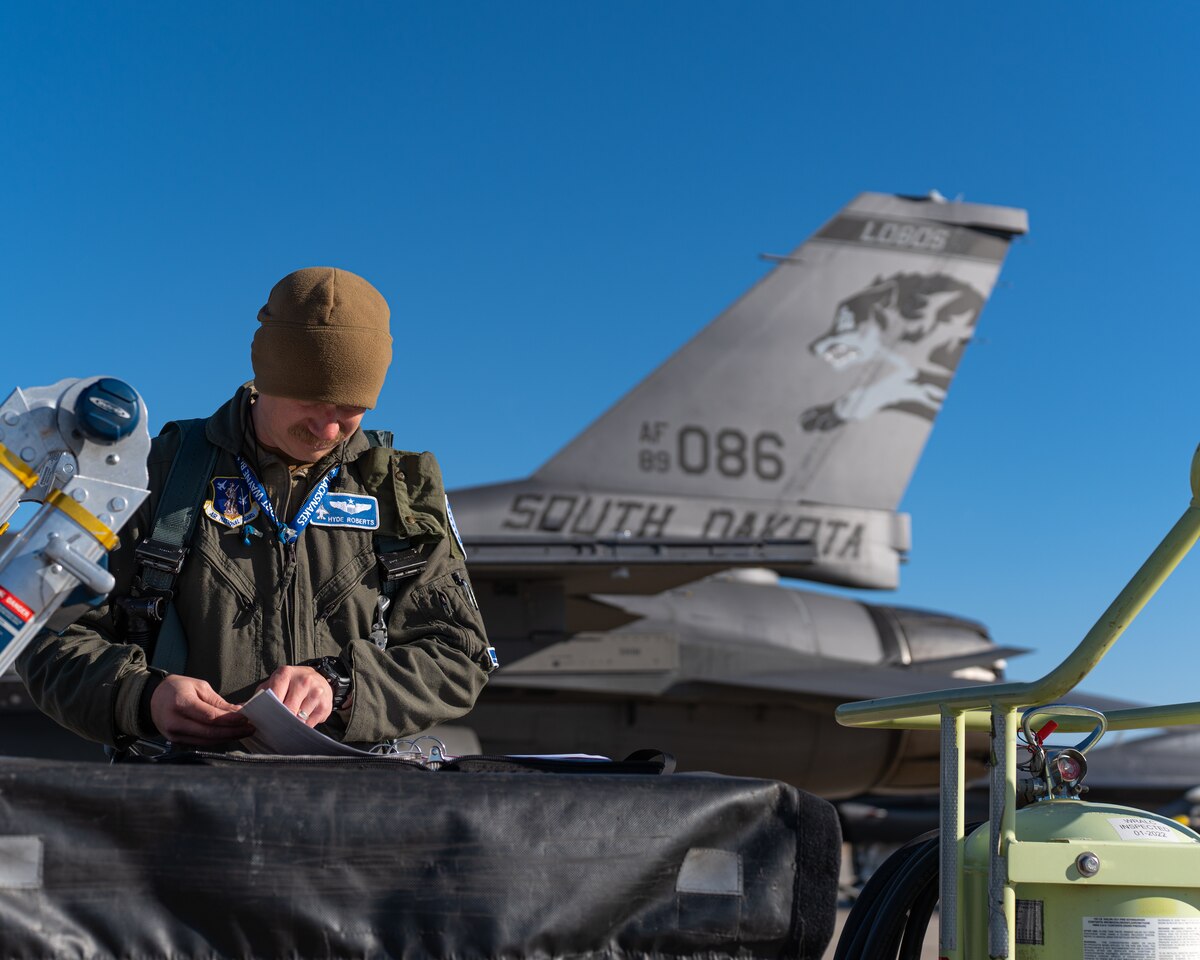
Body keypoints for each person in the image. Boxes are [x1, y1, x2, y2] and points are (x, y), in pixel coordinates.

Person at [18, 267, 495, 751]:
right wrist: (143, 697)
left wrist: (345, 686)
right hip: (182, 798)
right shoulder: (149, 477)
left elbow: (458, 658)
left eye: (350, 407)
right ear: (266, 374)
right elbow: (47, 640)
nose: (328, 430)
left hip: (349, 800)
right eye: (310, 399)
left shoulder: (398, 494)